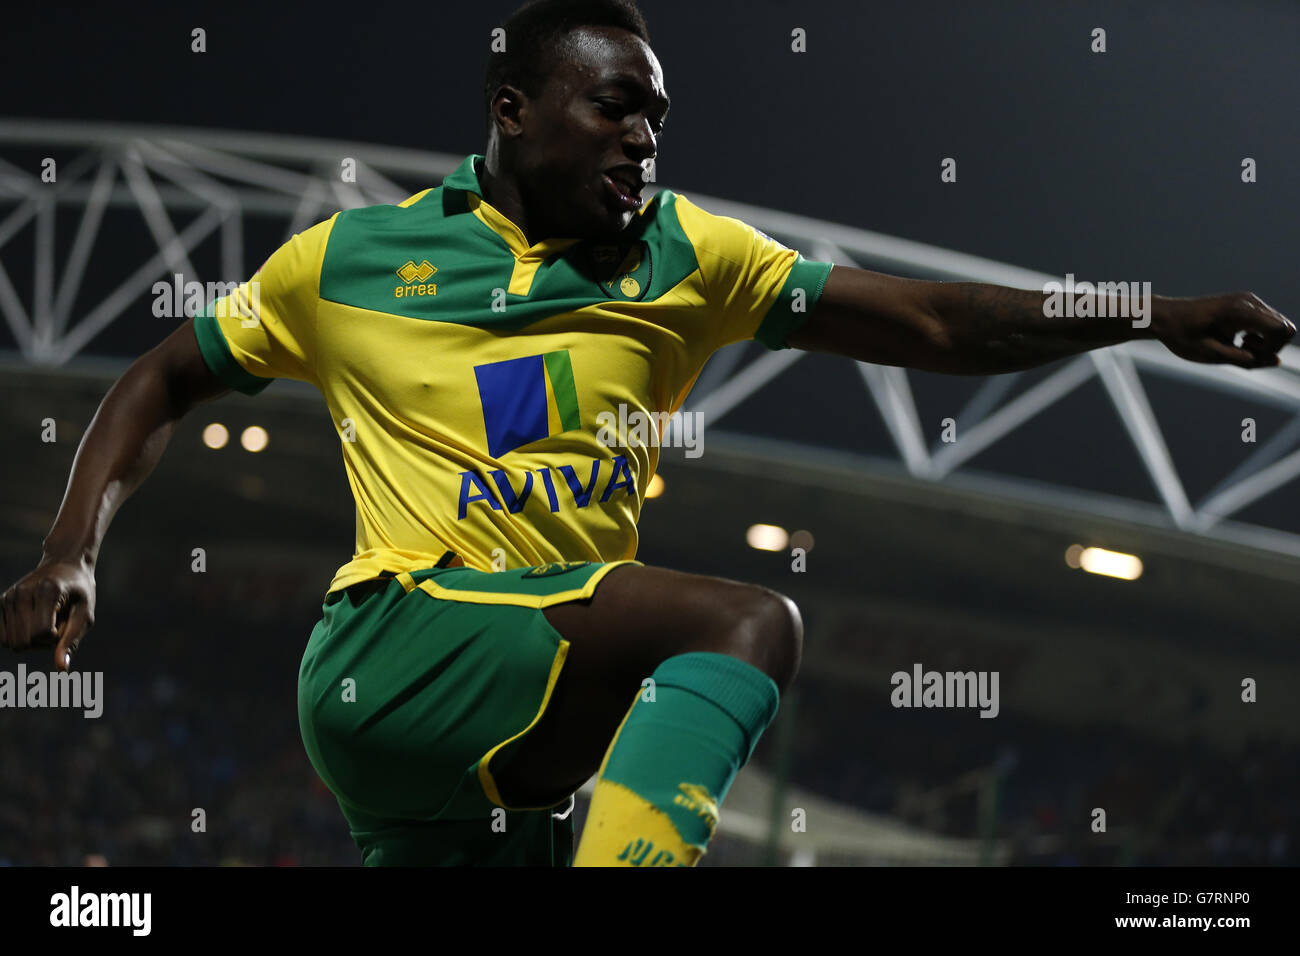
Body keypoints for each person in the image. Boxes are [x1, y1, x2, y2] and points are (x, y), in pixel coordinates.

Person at [1, 0, 1293, 867]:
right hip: (399, 642)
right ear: (513, 109)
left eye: (657, 118)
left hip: (494, 743)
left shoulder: (688, 257)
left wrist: (1140, 311)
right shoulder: (352, 259)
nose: (644, 138)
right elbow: (165, 371)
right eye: (615, 108)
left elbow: (936, 323)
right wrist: (74, 549)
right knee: (746, 625)